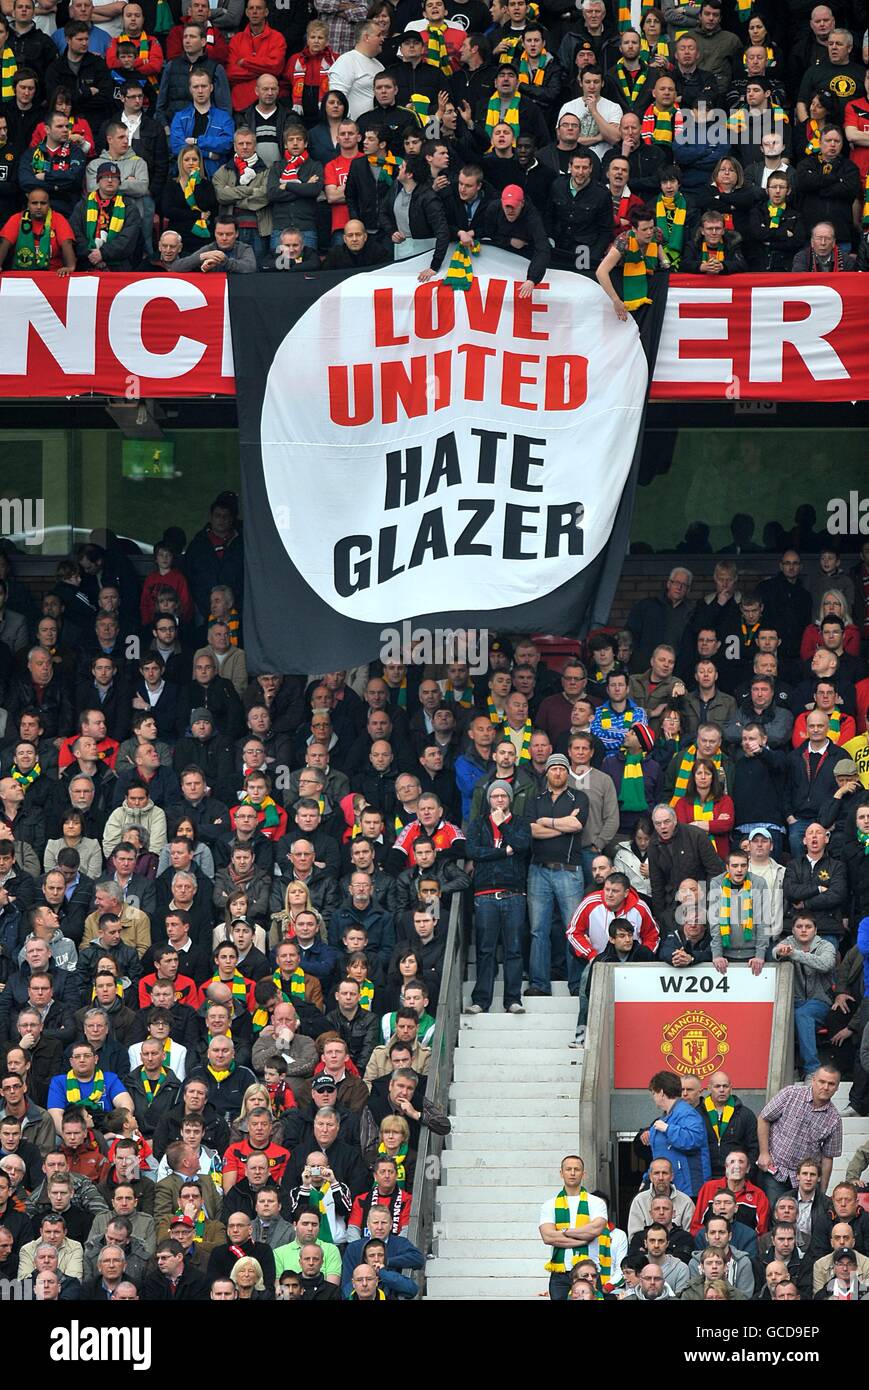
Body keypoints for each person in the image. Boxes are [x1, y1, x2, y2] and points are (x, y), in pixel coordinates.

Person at [464, 779, 531, 1016]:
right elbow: (473, 852)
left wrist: (504, 826)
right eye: (495, 796)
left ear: (510, 798)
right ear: (489, 799)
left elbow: (522, 845)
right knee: (485, 950)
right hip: (485, 895)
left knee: (514, 950)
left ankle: (513, 1000)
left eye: (503, 796)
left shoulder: (520, 824)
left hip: (513, 894)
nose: (499, 800)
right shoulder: (478, 824)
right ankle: (481, 1001)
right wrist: (504, 851)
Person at [757, 1067, 843, 1206]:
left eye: (831, 1084)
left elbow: (828, 1157)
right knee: (774, 1215)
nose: (825, 1087)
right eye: (822, 1081)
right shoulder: (790, 1094)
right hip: (775, 1169)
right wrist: (764, 1153)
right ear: (813, 1081)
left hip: (804, 1179)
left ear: (837, 1087)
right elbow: (763, 1118)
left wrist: (822, 1191)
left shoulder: (834, 1119)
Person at [539, 1154, 610, 1300]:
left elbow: (595, 1230)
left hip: (589, 1272)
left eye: (577, 1169)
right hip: (560, 1272)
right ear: (561, 1173)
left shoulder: (596, 1202)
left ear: (583, 1174)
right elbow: (548, 1237)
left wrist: (565, 1232)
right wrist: (582, 1239)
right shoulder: (549, 1204)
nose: (572, 1173)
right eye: (568, 1169)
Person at [646, 1070, 711, 1198]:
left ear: (662, 1093)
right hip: (669, 1187)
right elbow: (659, 1155)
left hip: (688, 1188)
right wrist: (647, 1177)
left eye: (654, 1093)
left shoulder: (686, 1113)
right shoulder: (667, 1116)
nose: (653, 1098)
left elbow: (694, 1139)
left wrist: (668, 1129)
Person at [0, 184, 76, 272]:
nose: (39, 207)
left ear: (49, 205)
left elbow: (67, 243)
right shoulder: (17, 219)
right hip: (22, 274)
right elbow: (4, 242)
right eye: (34, 203)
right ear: (28, 204)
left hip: (52, 274)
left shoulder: (58, 219)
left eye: (43, 203)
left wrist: (70, 267)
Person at [162, 145, 216, 252]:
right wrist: (197, 215)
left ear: (199, 162)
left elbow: (206, 206)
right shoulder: (172, 184)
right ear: (181, 162)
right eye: (186, 160)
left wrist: (196, 181)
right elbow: (168, 210)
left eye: (194, 159)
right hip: (178, 234)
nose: (191, 163)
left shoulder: (206, 185)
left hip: (202, 235)